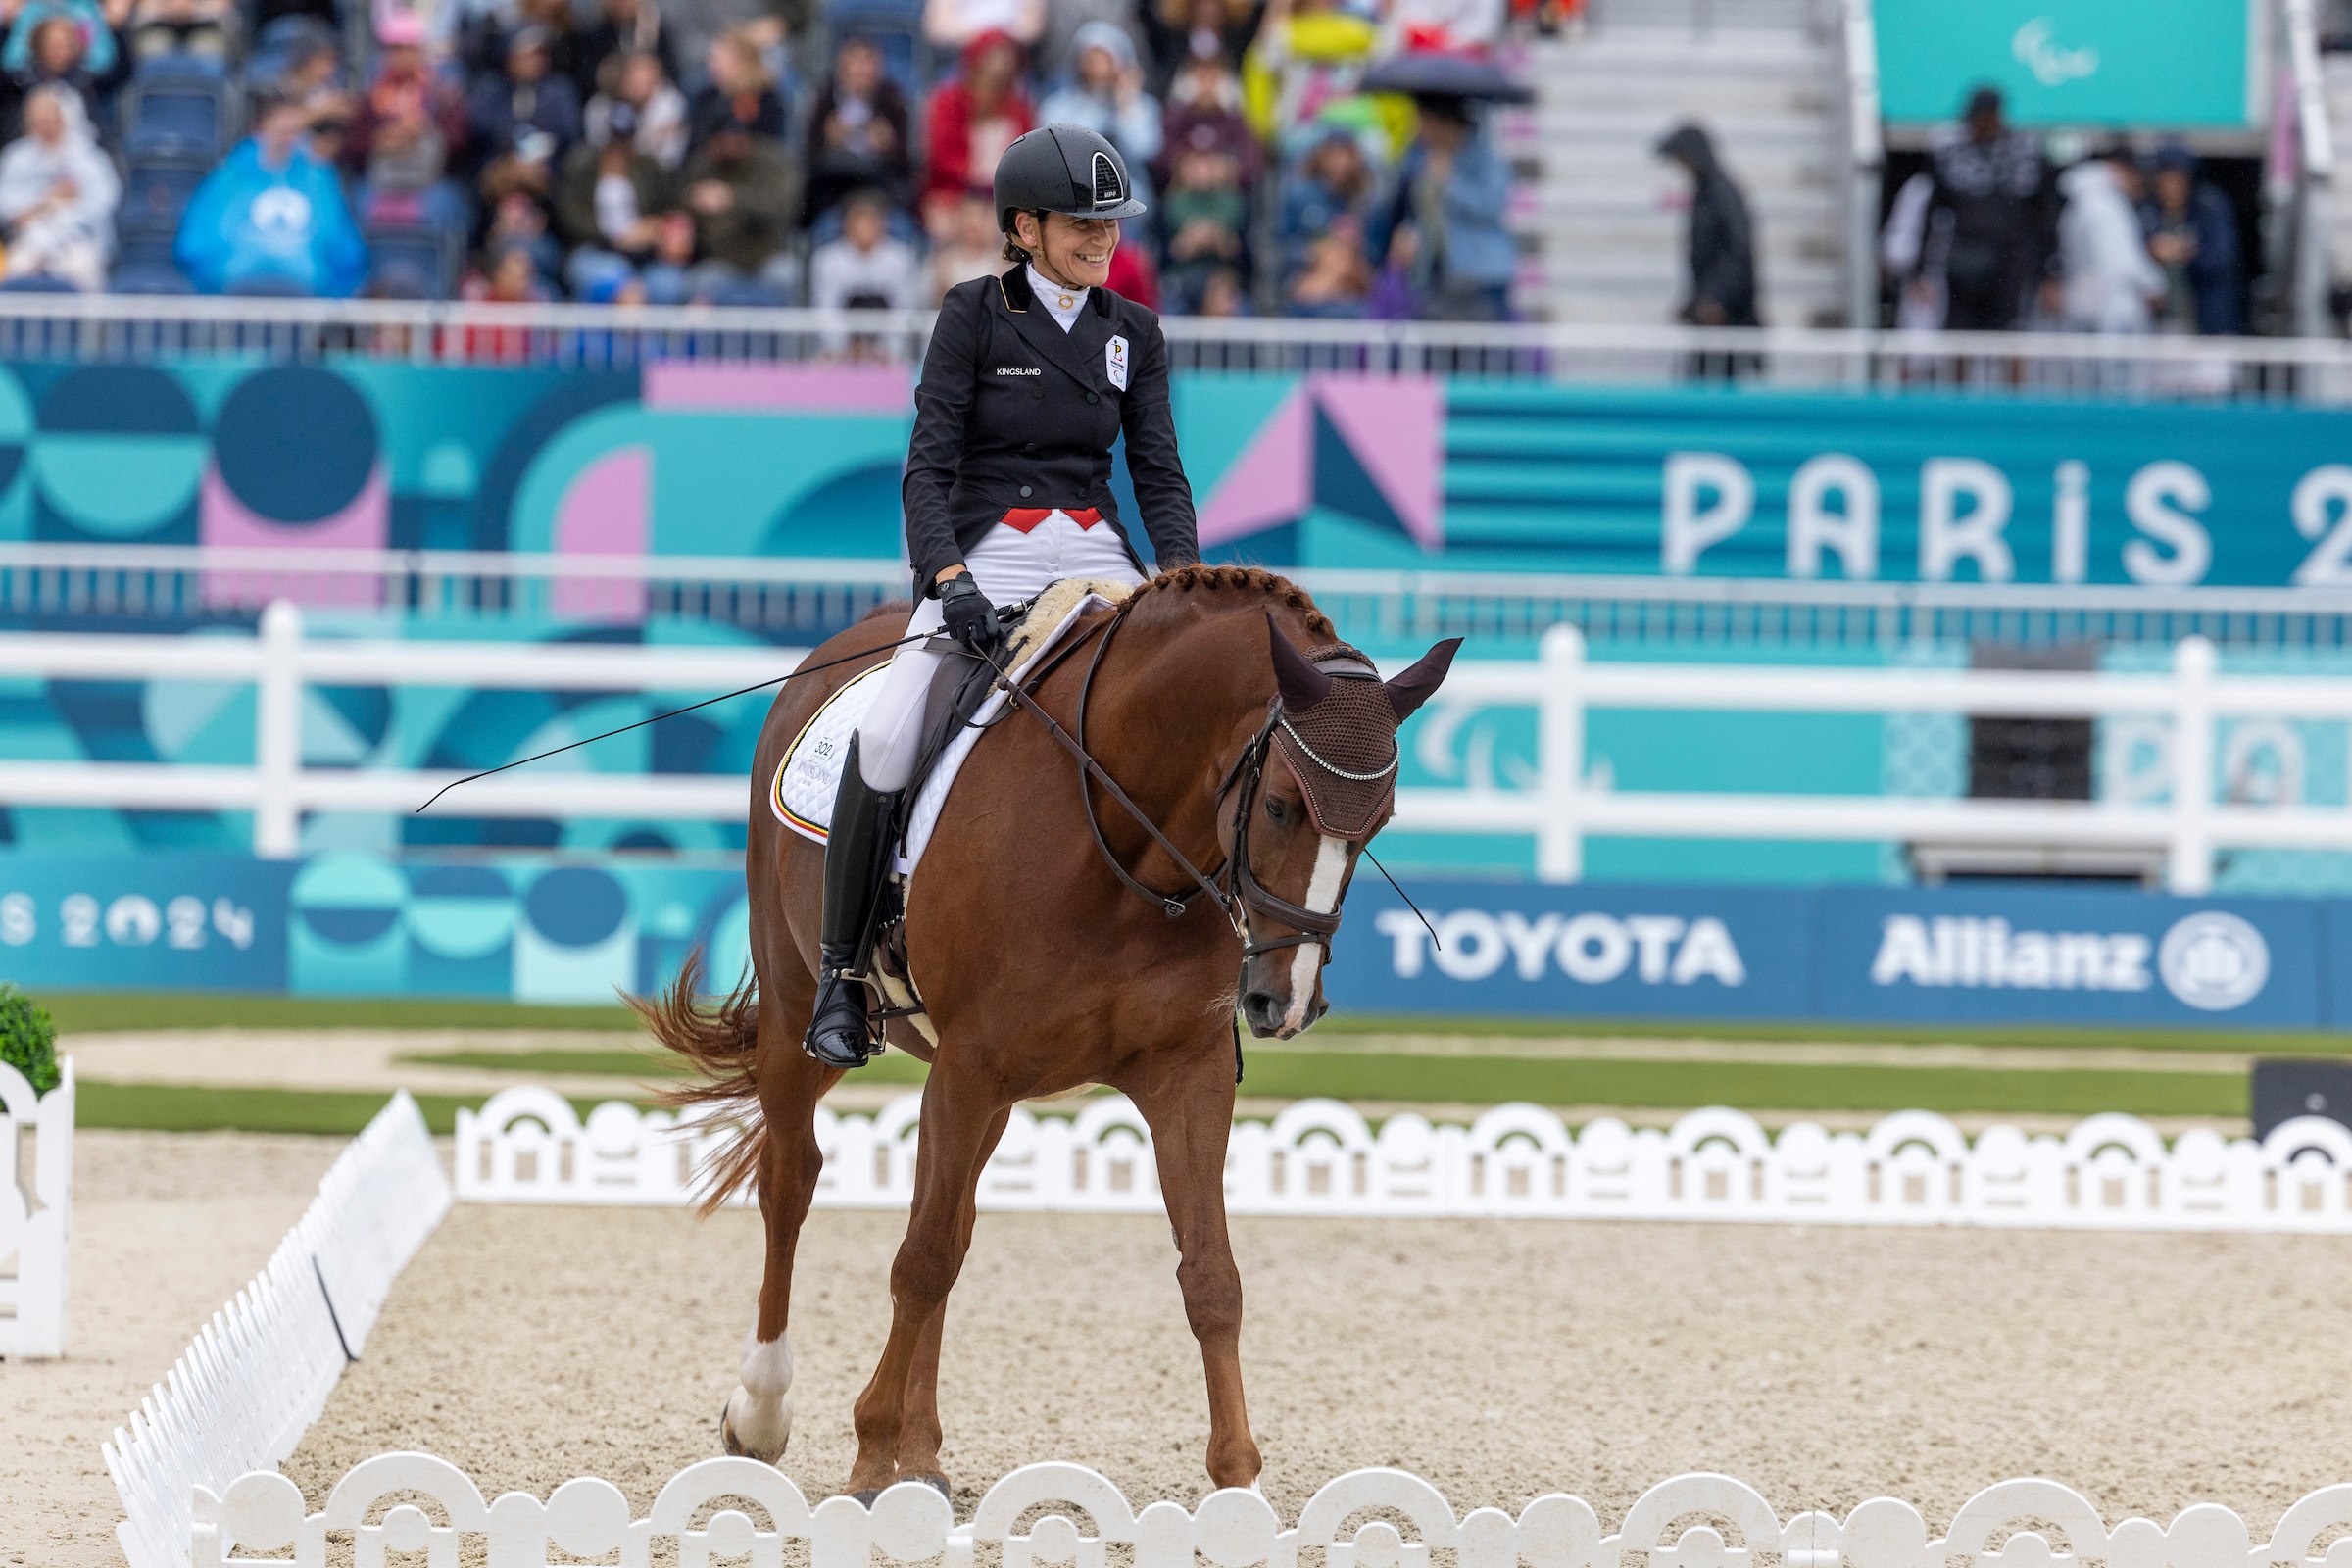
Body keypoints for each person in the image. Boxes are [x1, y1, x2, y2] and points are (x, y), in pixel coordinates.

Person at [802, 123, 1200, 1068]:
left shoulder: (1132, 333)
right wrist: (948, 580)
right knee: (891, 730)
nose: (1101, 242)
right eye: (1081, 226)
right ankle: (841, 975)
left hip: (1096, 551)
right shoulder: (973, 313)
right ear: (1024, 226)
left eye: (1109, 227)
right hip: (988, 552)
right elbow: (926, 468)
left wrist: (1183, 585)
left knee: (1190, 719)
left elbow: (1160, 475)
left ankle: (1205, 966)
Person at [176, 94, 368, 295]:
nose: (286, 139)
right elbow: (198, 240)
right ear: (261, 128)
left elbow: (341, 242)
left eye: (294, 132)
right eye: (281, 131)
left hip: (306, 292)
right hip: (234, 291)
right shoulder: (230, 175)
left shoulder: (319, 178)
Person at [1915, 85, 2055, 333]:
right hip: (1964, 256)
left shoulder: (2026, 152)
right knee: (1959, 331)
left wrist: (2050, 271)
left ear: (1996, 116)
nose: (1975, 128)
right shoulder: (1951, 152)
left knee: (2011, 331)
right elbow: (1932, 212)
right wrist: (1921, 270)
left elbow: (2044, 215)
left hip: (2011, 260)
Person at [1368, 95, 1511, 320]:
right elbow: (1416, 208)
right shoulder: (1418, 157)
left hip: (1481, 275)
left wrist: (1450, 182)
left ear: (1446, 123)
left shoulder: (1486, 160)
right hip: (1433, 273)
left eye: (1424, 121)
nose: (1419, 129)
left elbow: (1489, 206)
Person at [1038, 22, 1162, 225]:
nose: (1098, 68)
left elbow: (1145, 150)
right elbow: (1055, 154)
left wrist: (1126, 103)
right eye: (1091, 60)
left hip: (1129, 189)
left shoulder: (1143, 106)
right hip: (1075, 190)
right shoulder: (1057, 106)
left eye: (1106, 59)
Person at [0, 84, 115, 289]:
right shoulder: (16, 156)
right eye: (38, 118)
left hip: (78, 240)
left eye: (50, 117)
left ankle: (93, 322)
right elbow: (7, 206)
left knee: (83, 270)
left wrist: (65, 216)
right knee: (15, 269)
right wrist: (46, 204)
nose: (44, 124)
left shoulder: (88, 157)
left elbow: (104, 200)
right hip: (30, 240)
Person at [804, 33, 912, 224]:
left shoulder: (893, 100)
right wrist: (827, 140)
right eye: (855, 63)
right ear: (841, 67)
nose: (860, 71)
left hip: (878, 179)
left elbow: (907, 158)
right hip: (833, 181)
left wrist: (888, 145)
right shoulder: (824, 98)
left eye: (866, 63)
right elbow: (808, 152)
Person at [2056, 144, 2161, 335]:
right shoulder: (2106, 204)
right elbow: (2120, 258)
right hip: (2113, 307)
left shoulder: (2080, 200)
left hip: (2084, 301)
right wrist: (2152, 283)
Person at [922, 29, 1033, 208]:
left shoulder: (1020, 106)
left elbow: (1028, 155)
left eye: (1006, 57)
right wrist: (979, 179)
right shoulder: (947, 101)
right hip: (956, 191)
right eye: (992, 56)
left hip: (1005, 193)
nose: (999, 66)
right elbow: (941, 156)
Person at [2140, 142, 2242, 337]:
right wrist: (2152, 251)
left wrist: (2185, 252)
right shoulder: (2149, 211)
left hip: (2207, 322)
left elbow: (2223, 257)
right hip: (2162, 322)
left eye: (2177, 177)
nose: (2170, 185)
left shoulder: (2210, 206)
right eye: (2165, 178)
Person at [586, 48, 687, 170]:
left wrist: (637, 143)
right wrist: (650, 138)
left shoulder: (669, 101)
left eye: (646, 76)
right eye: (635, 76)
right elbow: (602, 147)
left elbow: (668, 157)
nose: (639, 81)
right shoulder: (611, 104)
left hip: (661, 172)